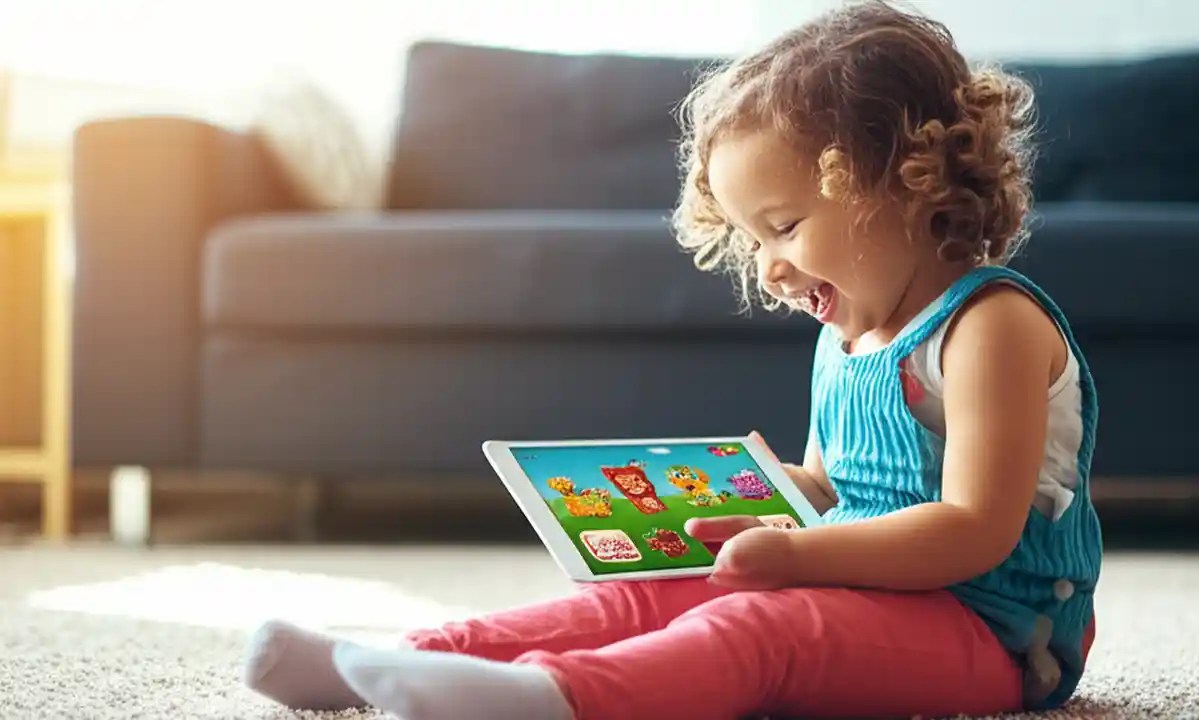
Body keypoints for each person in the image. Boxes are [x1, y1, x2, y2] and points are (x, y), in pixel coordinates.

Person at [241, 1, 1101, 717]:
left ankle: (556, 698)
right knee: (638, 597)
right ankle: (389, 661)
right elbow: (835, 489)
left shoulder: (990, 326)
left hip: (995, 632)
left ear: (902, 181)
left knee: (763, 631)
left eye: (786, 226)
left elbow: (974, 530)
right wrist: (754, 498)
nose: (766, 265)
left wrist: (796, 557)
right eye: (752, 237)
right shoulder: (844, 336)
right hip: (871, 589)